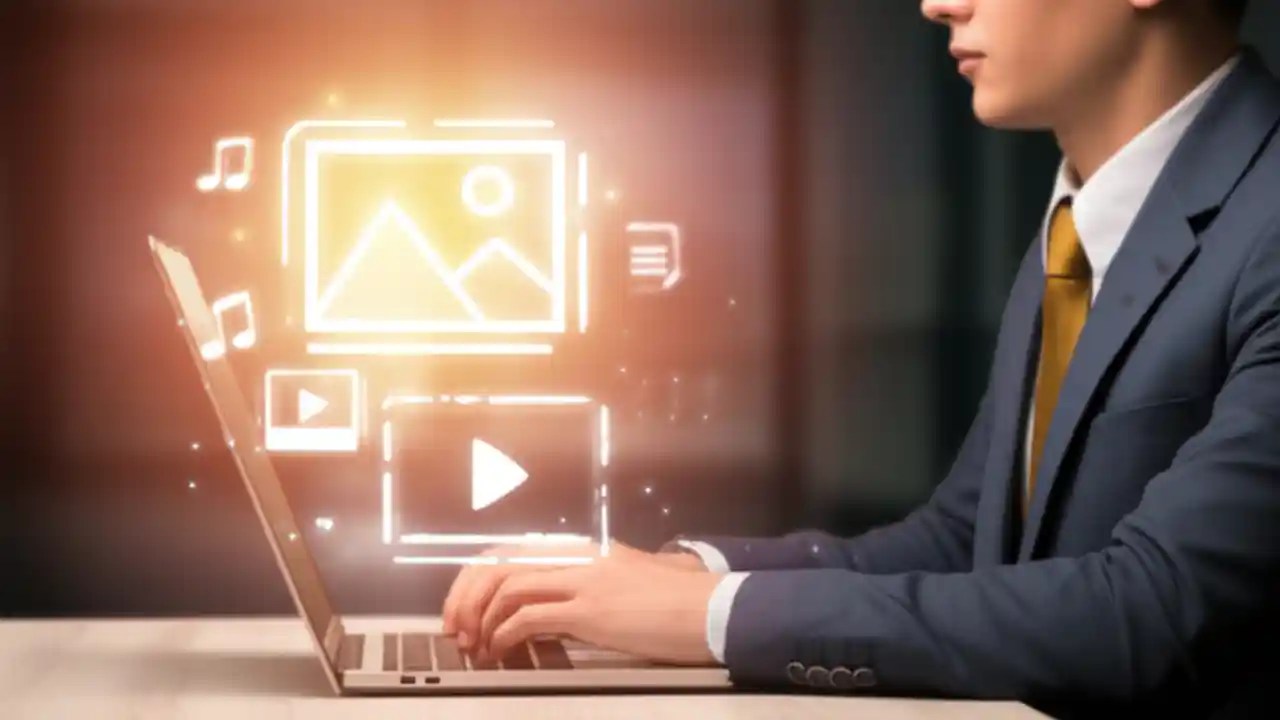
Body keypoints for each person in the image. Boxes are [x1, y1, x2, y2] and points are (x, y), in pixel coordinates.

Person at [442, 0, 1280, 714]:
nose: (938, 3)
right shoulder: (1084, 219)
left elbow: (1154, 609)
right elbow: (965, 541)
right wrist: (678, 577)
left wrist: (714, 614)